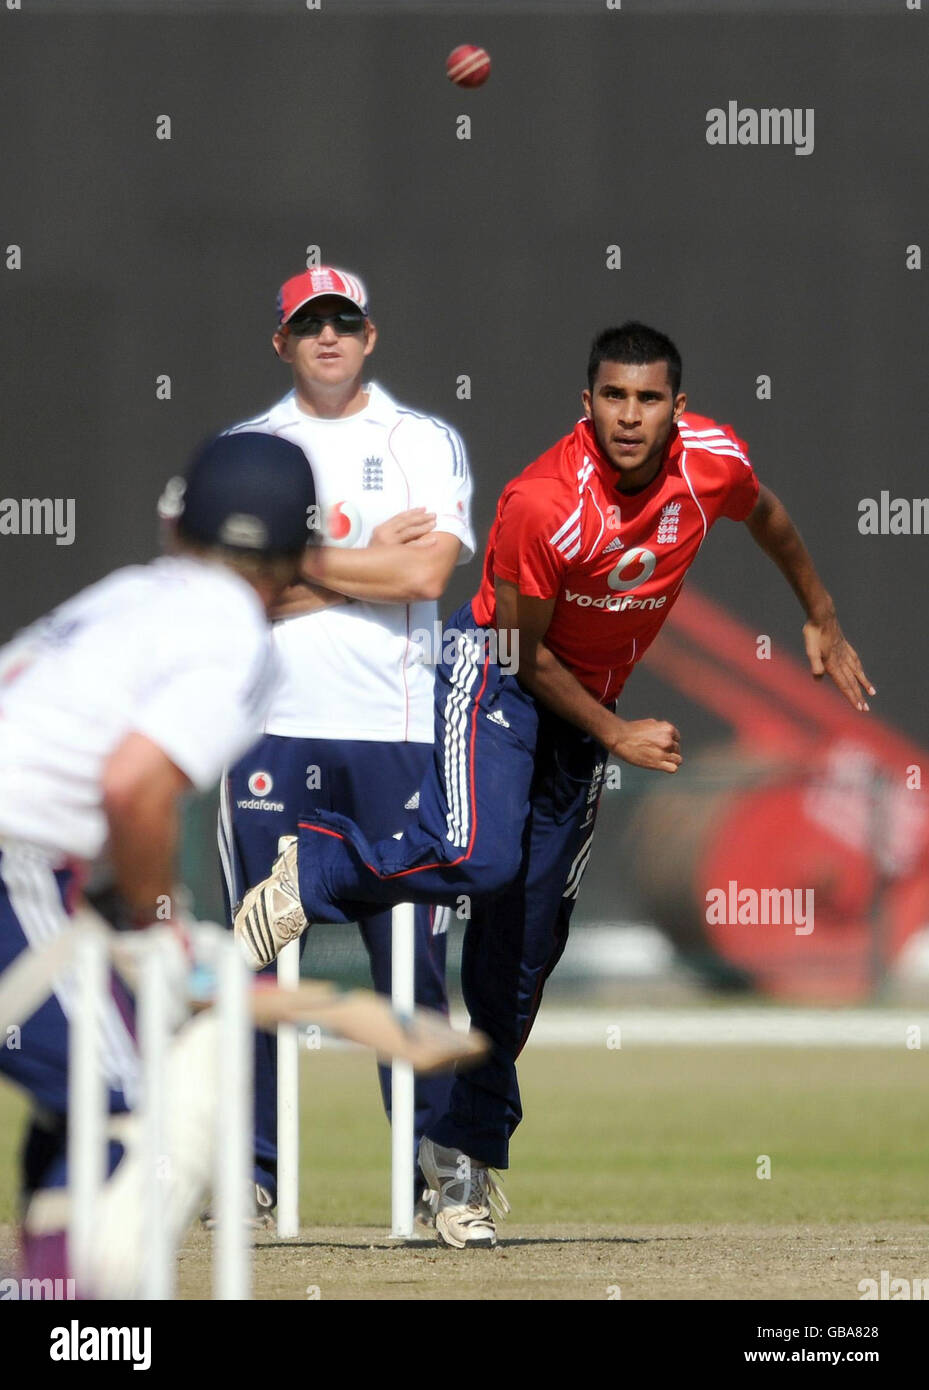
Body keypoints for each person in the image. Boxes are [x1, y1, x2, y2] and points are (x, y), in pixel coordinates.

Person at [235, 321, 875, 1247]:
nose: (628, 415)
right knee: (477, 855)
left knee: (523, 953)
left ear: (676, 410)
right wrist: (615, 731)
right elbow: (520, 652)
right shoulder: (542, 500)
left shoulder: (713, 463)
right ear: (587, 405)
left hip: (583, 714)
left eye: (647, 399)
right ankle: (319, 872)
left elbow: (768, 515)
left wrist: (818, 615)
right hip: (497, 677)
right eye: (612, 397)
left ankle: (460, 1164)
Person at [0, 431, 315, 1278]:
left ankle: (46, 1281)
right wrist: (159, 919)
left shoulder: (131, 593)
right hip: (13, 855)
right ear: (299, 555)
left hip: (30, 855)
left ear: (177, 522)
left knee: (86, 1083)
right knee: (127, 1095)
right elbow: (135, 784)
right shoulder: (238, 634)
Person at [218, 265, 475, 1223]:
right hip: (272, 729)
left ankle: (439, 1177)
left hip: (394, 734)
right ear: (281, 342)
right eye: (308, 325)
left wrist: (298, 562)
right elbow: (230, 590)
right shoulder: (249, 448)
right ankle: (250, 1176)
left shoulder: (418, 441)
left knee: (409, 966)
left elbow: (428, 569)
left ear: (370, 337)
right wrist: (366, 565)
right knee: (253, 956)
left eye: (344, 322)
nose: (327, 337)